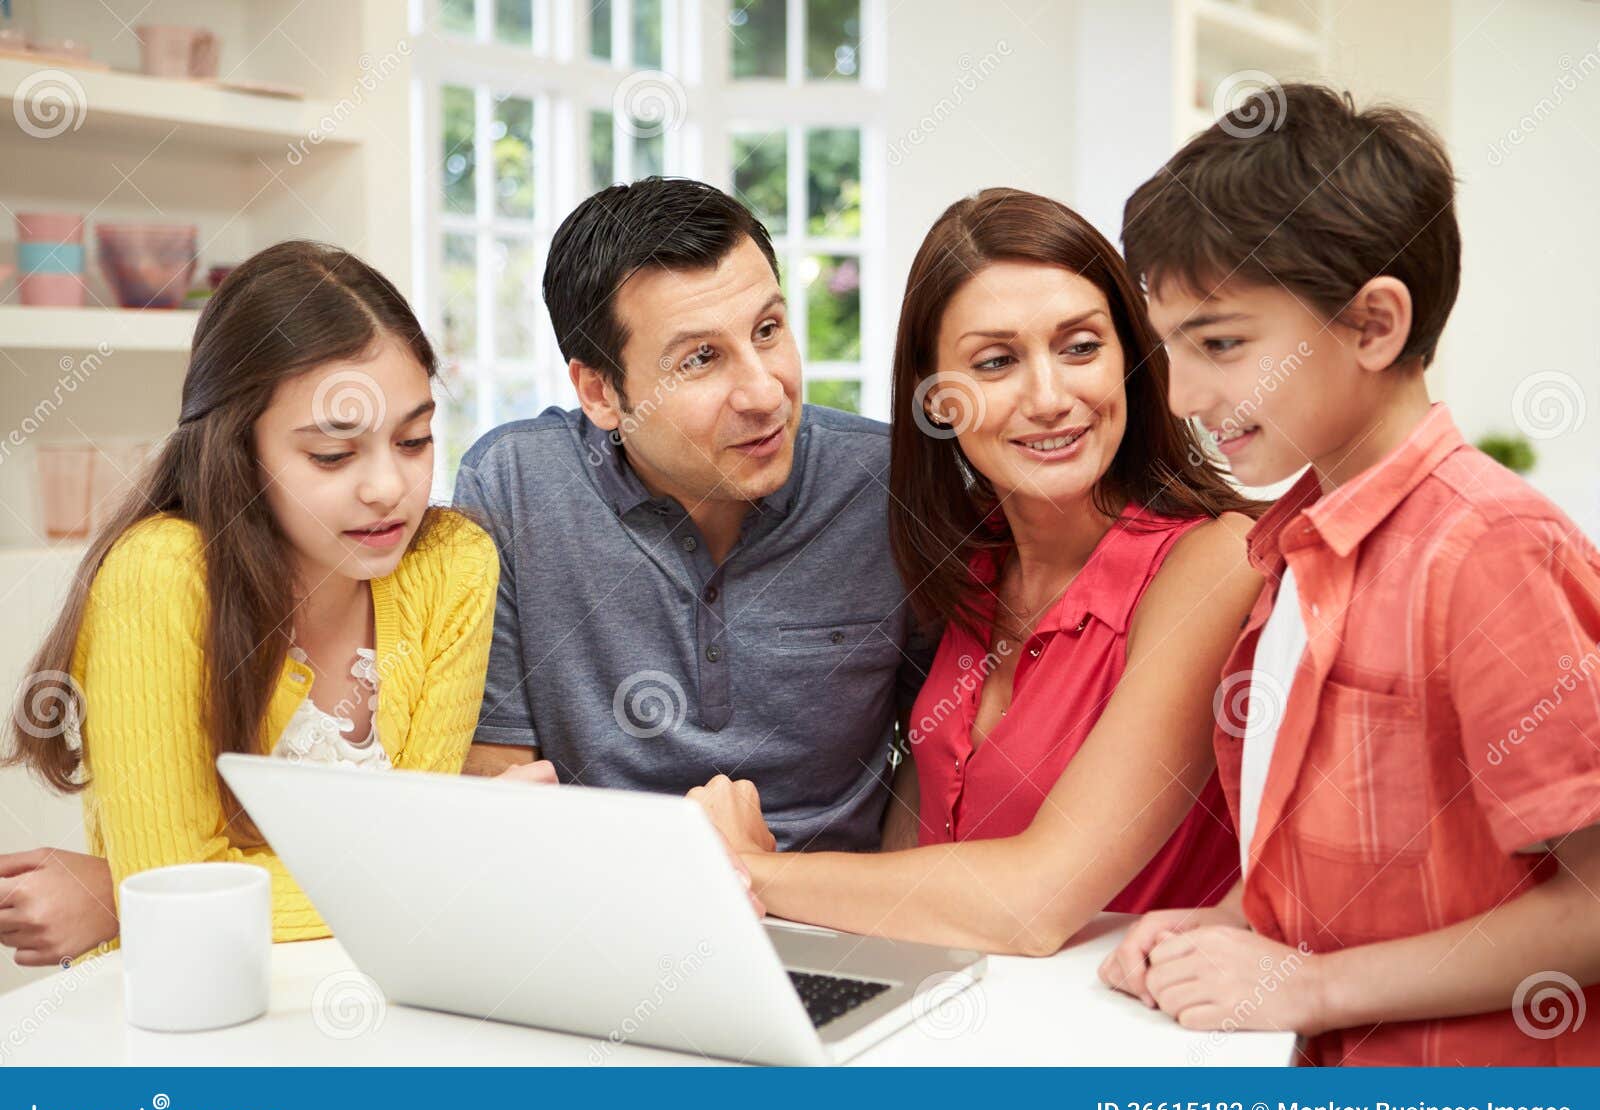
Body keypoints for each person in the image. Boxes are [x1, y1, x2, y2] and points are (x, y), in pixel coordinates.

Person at [1101, 84, 1600, 1065]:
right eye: (1171, 350)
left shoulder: (1488, 547)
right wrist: (1232, 922)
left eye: (1221, 343)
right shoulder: (1295, 548)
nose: (1185, 394)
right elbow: (1351, 855)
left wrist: (1313, 983)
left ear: (1372, 324)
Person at [689, 188, 1263, 956]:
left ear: (1132, 357)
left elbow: (1037, 899)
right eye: (995, 362)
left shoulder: (1214, 561)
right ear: (937, 400)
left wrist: (756, 871)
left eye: (1081, 346)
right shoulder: (966, 570)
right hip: (964, 1027)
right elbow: (911, 864)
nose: (1050, 397)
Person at [1, 241, 533, 961]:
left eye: (413, 439)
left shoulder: (453, 565)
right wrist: (454, 852)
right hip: (191, 1001)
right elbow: (178, 892)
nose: (388, 487)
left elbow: (414, 852)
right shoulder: (159, 577)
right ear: (236, 448)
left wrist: (118, 895)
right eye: (332, 455)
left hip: (378, 986)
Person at [454, 177, 935, 853]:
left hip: (838, 922)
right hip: (600, 915)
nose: (766, 393)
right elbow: (500, 784)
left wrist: (888, 916)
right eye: (701, 358)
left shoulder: (889, 483)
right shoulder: (513, 486)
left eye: (768, 330)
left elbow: (940, 746)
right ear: (599, 391)